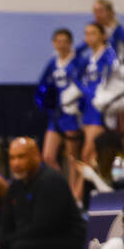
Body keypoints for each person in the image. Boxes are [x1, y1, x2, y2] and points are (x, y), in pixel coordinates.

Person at [36, 28, 82, 173]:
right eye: (58, 42)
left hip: (72, 114)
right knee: (48, 156)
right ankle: (59, 183)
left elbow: (83, 85)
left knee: (72, 157)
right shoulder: (52, 64)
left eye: (65, 42)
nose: (61, 45)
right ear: (53, 43)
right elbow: (43, 85)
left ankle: (74, 187)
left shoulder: (77, 62)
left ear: (70, 43)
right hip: (56, 114)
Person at [76, 22, 120, 169]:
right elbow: (78, 77)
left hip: (100, 107)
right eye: (86, 34)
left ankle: (92, 182)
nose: (89, 37)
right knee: (89, 155)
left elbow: (113, 75)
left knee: (88, 153)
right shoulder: (89, 58)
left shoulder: (108, 54)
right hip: (88, 107)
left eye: (93, 33)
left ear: (103, 35)